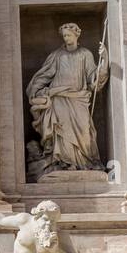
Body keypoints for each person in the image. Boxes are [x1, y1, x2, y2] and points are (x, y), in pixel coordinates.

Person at [26, 22, 107, 173]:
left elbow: (93, 78)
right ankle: (63, 162)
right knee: (62, 131)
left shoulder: (85, 54)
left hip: (79, 99)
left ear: (77, 35)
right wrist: (36, 90)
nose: (66, 38)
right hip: (59, 98)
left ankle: (84, 162)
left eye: (69, 35)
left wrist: (104, 59)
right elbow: (44, 75)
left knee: (84, 133)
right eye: (64, 36)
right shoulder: (57, 55)